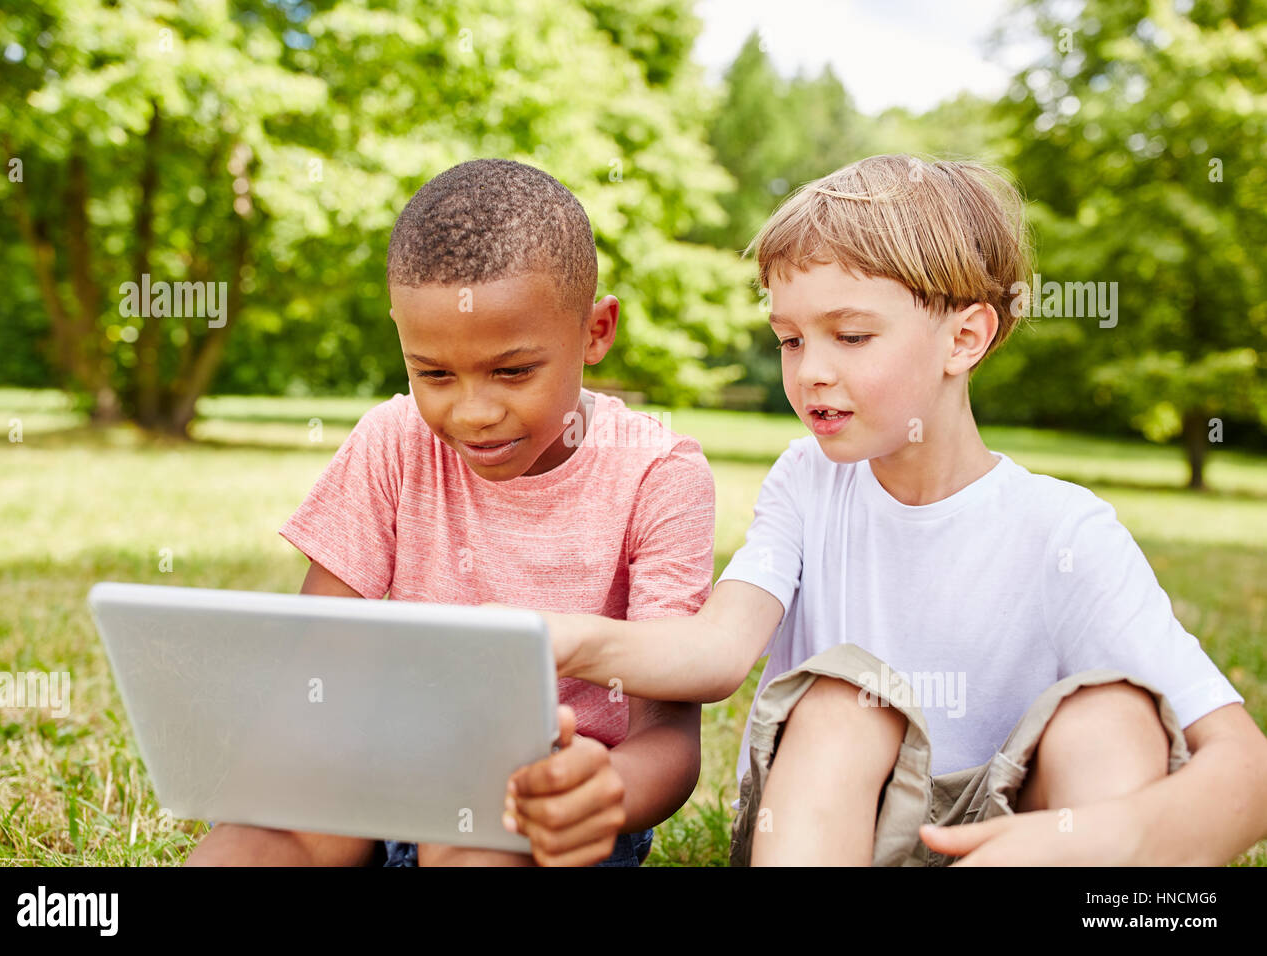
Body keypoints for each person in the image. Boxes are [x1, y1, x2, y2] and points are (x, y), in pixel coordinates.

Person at [532, 154, 1267, 866]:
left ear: (966, 337)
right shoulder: (807, 482)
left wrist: (1112, 837)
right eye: (790, 339)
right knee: (845, 702)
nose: (811, 370)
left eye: (851, 336)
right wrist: (562, 640)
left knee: (1115, 719)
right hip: (826, 824)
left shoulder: (1065, 530)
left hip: (1012, 836)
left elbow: (1245, 769)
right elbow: (718, 651)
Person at [186, 158, 715, 867]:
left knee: (469, 852)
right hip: (383, 772)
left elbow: (670, 741)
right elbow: (320, 654)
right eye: (433, 373)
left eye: (513, 371)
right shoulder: (391, 440)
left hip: (544, 807)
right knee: (250, 843)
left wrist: (600, 792)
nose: (473, 413)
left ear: (596, 331)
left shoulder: (657, 472)